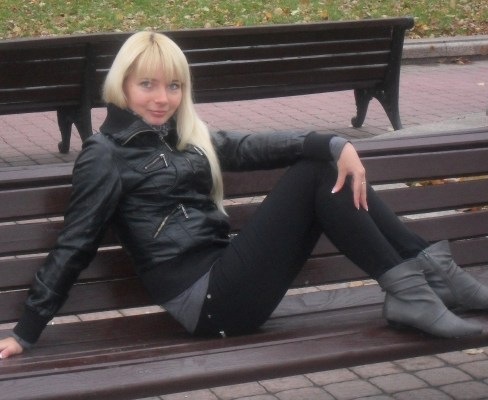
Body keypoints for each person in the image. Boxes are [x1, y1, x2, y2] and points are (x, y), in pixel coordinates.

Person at [1, 31, 487, 359]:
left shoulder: (183, 134)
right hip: (206, 302)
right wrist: (27, 331)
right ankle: (419, 290)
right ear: (122, 84)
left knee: (324, 164)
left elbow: (250, 147)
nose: (162, 98)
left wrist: (332, 142)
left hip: (226, 279)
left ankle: (430, 282)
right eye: (147, 84)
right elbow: (75, 242)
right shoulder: (104, 154)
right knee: (317, 173)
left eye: (173, 86)